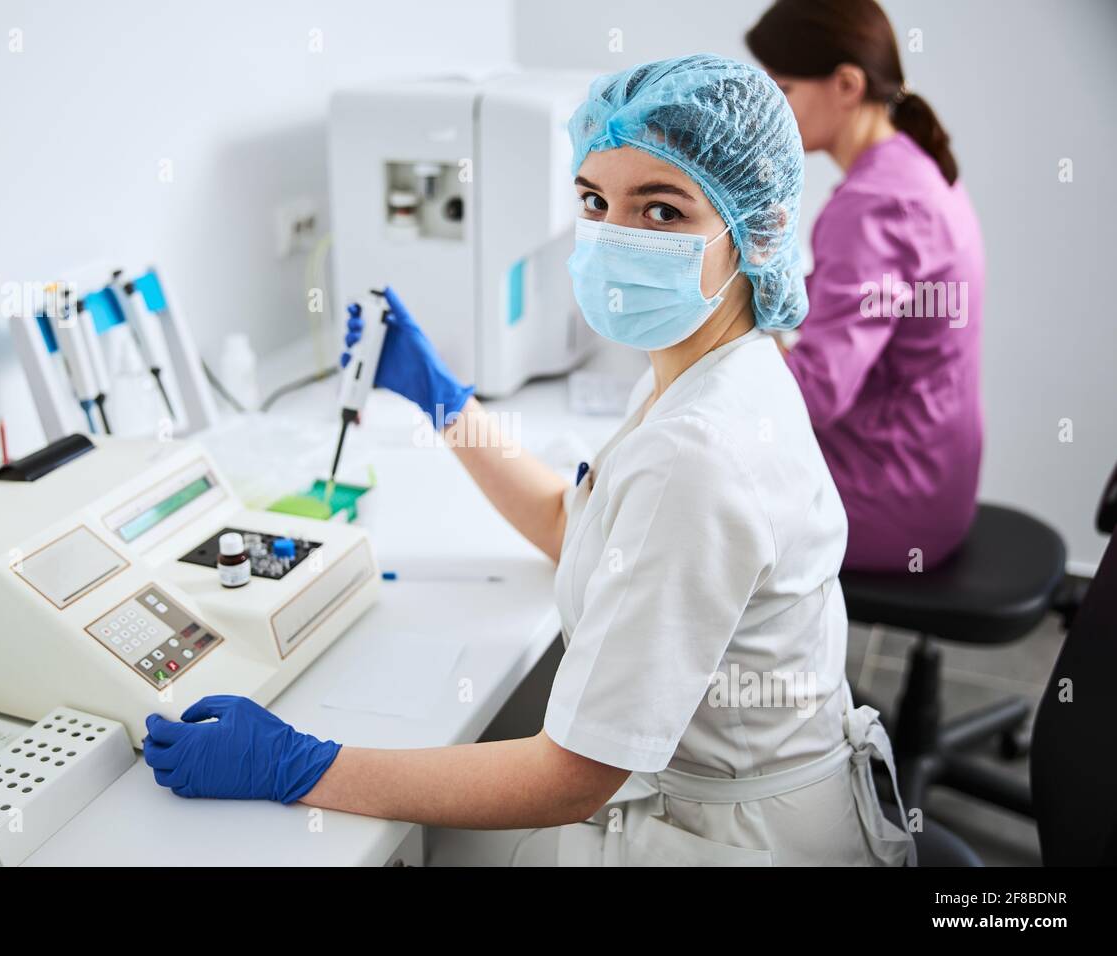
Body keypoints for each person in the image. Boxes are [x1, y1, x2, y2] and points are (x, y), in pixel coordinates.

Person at [142, 55, 913, 866]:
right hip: (741, 796)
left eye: (661, 210)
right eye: (594, 201)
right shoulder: (708, 370)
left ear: (752, 229)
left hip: (736, 840)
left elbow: (570, 775)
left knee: (406, 848)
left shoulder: (697, 451)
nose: (616, 236)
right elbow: (566, 524)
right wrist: (447, 404)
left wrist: (298, 766)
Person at [747, 0, 985, 571]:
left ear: (847, 84)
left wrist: (723, 342)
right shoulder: (911, 166)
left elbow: (819, 393)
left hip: (894, 498)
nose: (770, 112)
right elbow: (858, 299)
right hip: (934, 476)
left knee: (697, 489)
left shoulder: (872, 204)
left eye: (783, 89)